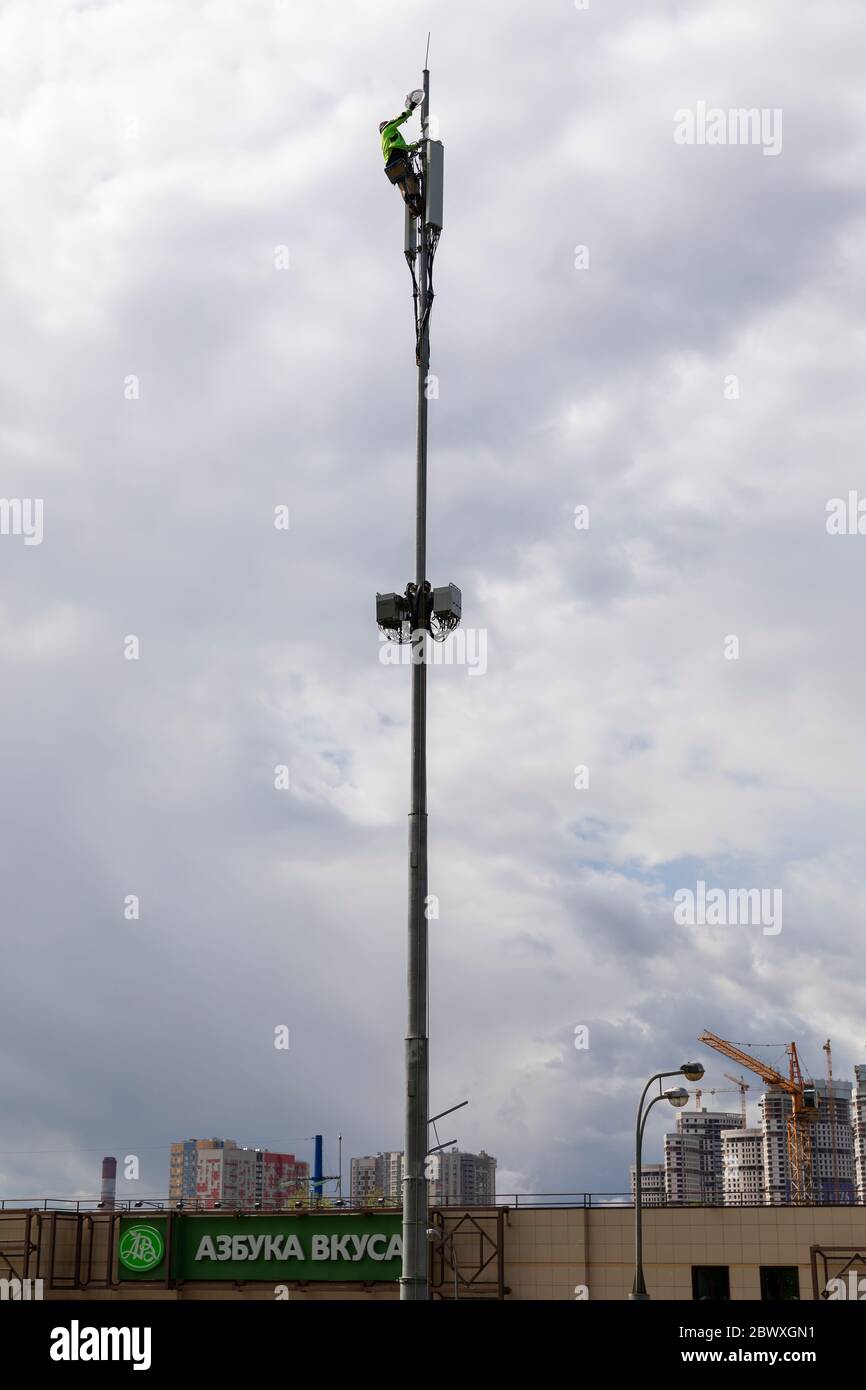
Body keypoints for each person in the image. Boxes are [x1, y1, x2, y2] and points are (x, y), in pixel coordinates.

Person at [379, 104, 422, 214]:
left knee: (401, 184)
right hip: (397, 156)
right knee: (409, 175)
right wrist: (410, 110)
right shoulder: (388, 128)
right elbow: (399, 119)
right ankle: (416, 196)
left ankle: (409, 203)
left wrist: (415, 146)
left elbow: (404, 147)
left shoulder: (384, 140)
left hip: (390, 164)